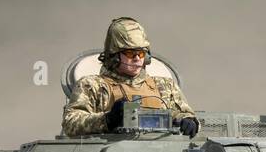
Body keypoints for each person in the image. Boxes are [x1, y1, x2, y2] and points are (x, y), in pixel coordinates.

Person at [62, 17, 198, 138]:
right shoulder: (93, 86)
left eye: (141, 53)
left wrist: (188, 121)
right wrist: (107, 119)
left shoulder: (165, 86)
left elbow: (184, 114)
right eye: (130, 53)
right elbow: (70, 123)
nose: (137, 59)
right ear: (114, 55)